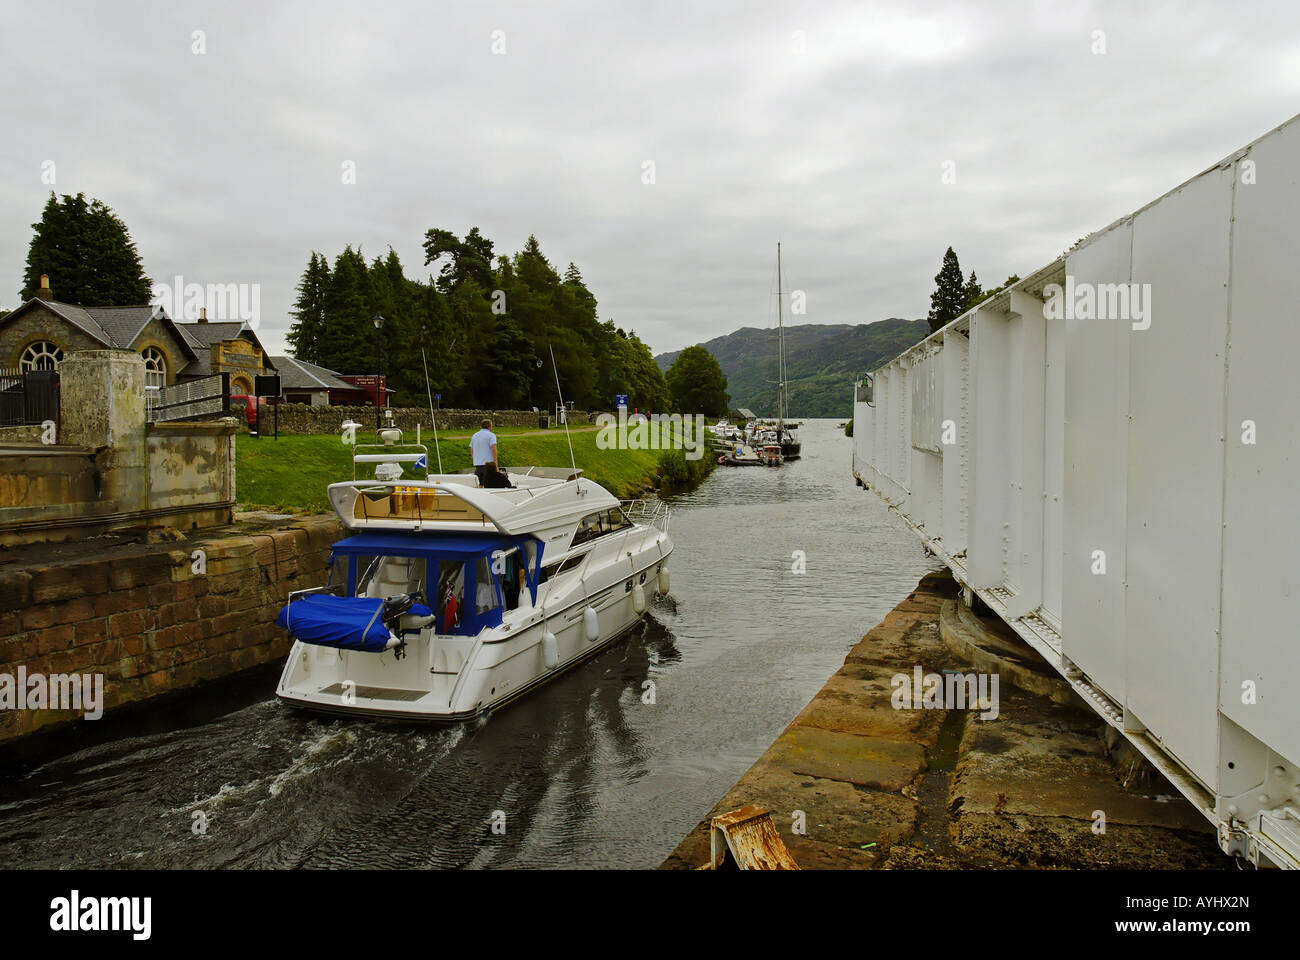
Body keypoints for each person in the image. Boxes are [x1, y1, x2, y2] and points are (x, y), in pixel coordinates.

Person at [470, 418, 498, 486]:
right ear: (489, 426)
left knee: (480, 486)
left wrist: (475, 459)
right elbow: (493, 449)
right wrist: (496, 464)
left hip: (477, 465)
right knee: (490, 485)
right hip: (489, 466)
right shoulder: (491, 435)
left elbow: (471, 450)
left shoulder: (474, 435)